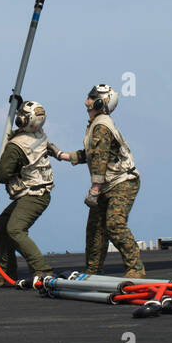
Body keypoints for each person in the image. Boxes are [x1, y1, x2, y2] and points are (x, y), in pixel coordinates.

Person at [56, 84, 145, 278]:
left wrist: (94, 189)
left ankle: (135, 269)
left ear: (99, 102)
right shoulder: (97, 124)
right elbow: (91, 153)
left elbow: (101, 158)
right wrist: (60, 154)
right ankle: (93, 272)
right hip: (109, 183)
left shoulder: (101, 126)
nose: (86, 100)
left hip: (122, 182)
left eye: (91, 97)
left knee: (114, 224)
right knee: (95, 230)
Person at [0, 100, 65, 287]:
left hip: (33, 195)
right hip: (38, 193)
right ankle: (6, 273)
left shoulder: (16, 146)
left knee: (14, 229)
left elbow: (3, 174)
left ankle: (42, 270)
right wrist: (18, 103)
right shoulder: (38, 134)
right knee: (1, 225)